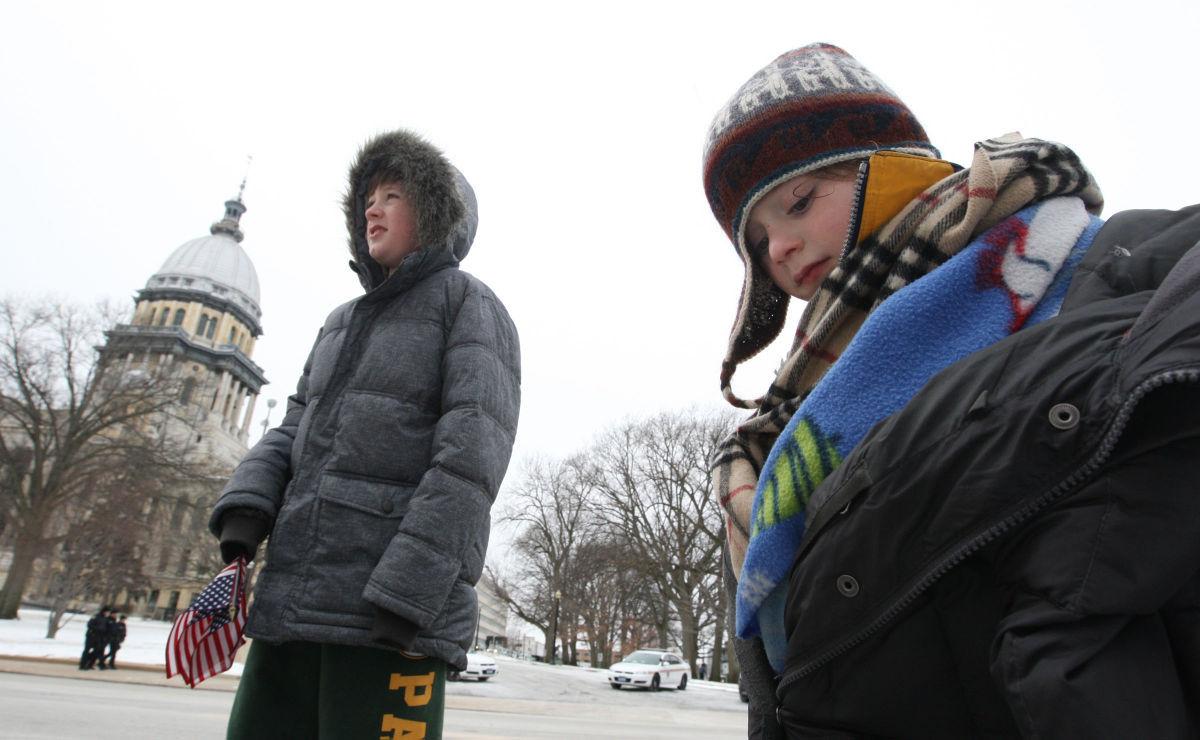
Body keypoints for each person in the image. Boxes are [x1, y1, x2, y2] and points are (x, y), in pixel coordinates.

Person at [702, 43, 1200, 738]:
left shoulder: (1114, 278)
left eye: (800, 202)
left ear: (888, 166)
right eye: (756, 243)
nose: (778, 249)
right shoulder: (783, 426)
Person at [209, 129, 521, 739]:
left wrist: (407, 595)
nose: (372, 210)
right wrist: (245, 510)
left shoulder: (469, 305)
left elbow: (470, 462)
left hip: (390, 623)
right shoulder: (339, 321)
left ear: (435, 212)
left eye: (392, 197)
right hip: (293, 606)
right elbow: (294, 427)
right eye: (368, 199)